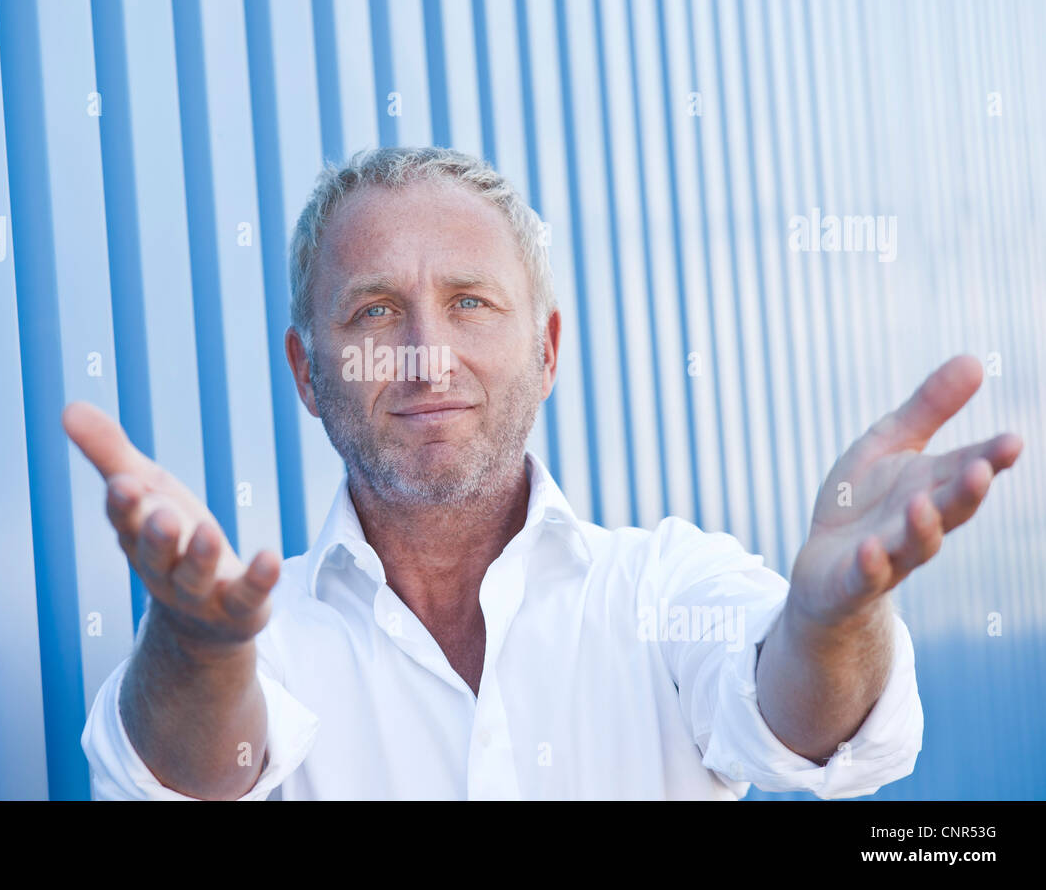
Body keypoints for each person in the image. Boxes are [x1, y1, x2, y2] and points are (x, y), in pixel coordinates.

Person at [63, 146, 1022, 799]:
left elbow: (805, 725)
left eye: (472, 302)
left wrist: (831, 620)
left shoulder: (668, 586)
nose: (428, 357)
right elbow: (180, 779)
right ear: (308, 372)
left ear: (548, 350)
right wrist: (196, 646)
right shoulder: (262, 642)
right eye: (373, 313)